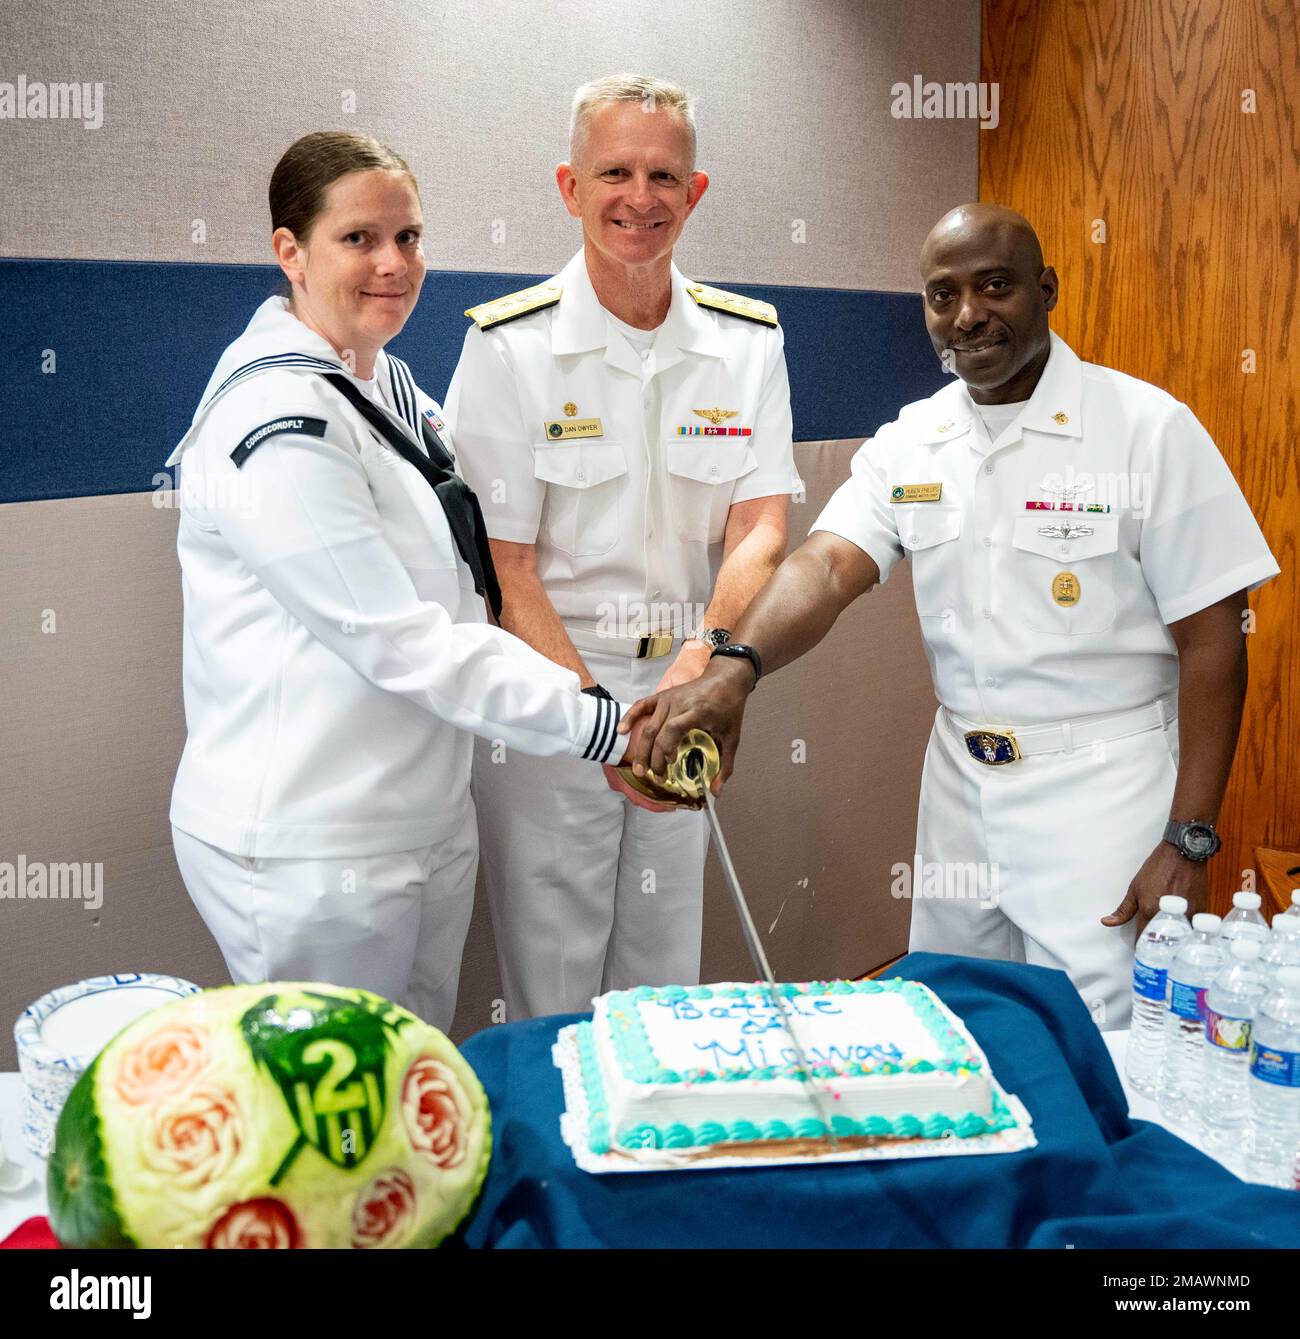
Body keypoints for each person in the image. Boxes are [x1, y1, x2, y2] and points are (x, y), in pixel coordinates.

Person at [621, 203, 1280, 1029]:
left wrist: (1189, 839)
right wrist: (731, 671)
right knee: (952, 1026)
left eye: (994, 286)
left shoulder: (1146, 431)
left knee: (1104, 1044)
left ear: (1046, 289)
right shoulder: (914, 440)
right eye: (942, 295)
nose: (967, 315)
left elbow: (1213, 639)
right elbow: (825, 566)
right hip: (961, 787)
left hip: (1103, 792)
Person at [164, 131, 650, 1034]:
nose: (394, 264)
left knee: (415, 1089)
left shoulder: (382, 379)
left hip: (420, 816)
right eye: (359, 239)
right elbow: (407, 641)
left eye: (411, 237)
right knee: (334, 1131)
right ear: (290, 252)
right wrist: (607, 726)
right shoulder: (279, 419)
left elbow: (469, 578)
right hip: (313, 843)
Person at [444, 74, 799, 1018]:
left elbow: (760, 525)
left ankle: (654, 1153)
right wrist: (597, 718)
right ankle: (564, 1164)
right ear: (569, 186)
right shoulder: (509, 348)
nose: (638, 198)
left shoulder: (748, 340)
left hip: (689, 677)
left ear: (696, 191)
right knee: (555, 979)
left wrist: (704, 664)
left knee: (664, 971)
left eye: (662, 175)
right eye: (613, 171)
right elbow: (503, 571)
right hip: (556, 688)